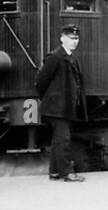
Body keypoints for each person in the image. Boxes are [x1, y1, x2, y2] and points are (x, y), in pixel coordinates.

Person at [35, 24, 86, 182]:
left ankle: (54, 172)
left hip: (62, 107)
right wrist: (50, 99)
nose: (75, 41)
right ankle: (66, 173)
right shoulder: (56, 57)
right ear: (62, 38)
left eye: (76, 38)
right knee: (63, 140)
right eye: (71, 38)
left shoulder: (70, 57)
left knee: (59, 139)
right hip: (56, 108)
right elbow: (41, 81)